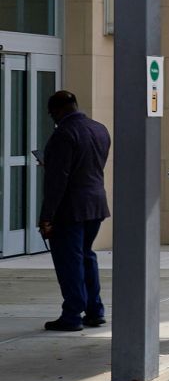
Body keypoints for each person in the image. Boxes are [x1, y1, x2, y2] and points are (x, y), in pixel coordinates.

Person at [38, 91, 111, 332]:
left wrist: (47, 215)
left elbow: (58, 180)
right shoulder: (99, 129)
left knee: (69, 261)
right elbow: (88, 165)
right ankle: (94, 310)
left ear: (57, 111)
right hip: (95, 203)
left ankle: (72, 314)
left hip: (70, 208)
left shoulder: (63, 134)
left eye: (52, 114)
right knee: (86, 255)